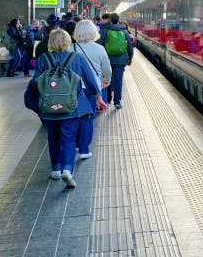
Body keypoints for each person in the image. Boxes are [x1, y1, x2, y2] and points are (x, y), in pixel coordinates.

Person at [32, 29, 103, 188]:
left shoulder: (43, 59)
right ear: (67, 42)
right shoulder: (77, 58)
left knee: (53, 137)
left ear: (50, 42)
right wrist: (98, 96)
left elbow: (35, 82)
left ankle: (56, 169)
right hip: (72, 108)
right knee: (69, 139)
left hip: (49, 109)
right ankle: (67, 169)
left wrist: (37, 102)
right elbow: (90, 79)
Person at [71, 20, 111, 160]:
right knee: (87, 117)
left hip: (74, 88)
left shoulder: (70, 48)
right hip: (92, 88)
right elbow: (107, 68)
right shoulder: (99, 48)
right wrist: (107, 79)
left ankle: (75, 144)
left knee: (74, 117)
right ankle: (84, 149)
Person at [99, 12, 134, 108]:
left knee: (107, 79)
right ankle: (117, 102)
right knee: (118, 80)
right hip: (120, 60)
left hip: (107, 59)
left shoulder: (104, 30)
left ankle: (108, 99)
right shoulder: (124, 31)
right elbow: (129, 47)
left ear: (110, 20)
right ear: (118, 20)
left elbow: (99, 44)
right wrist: (130, 58)